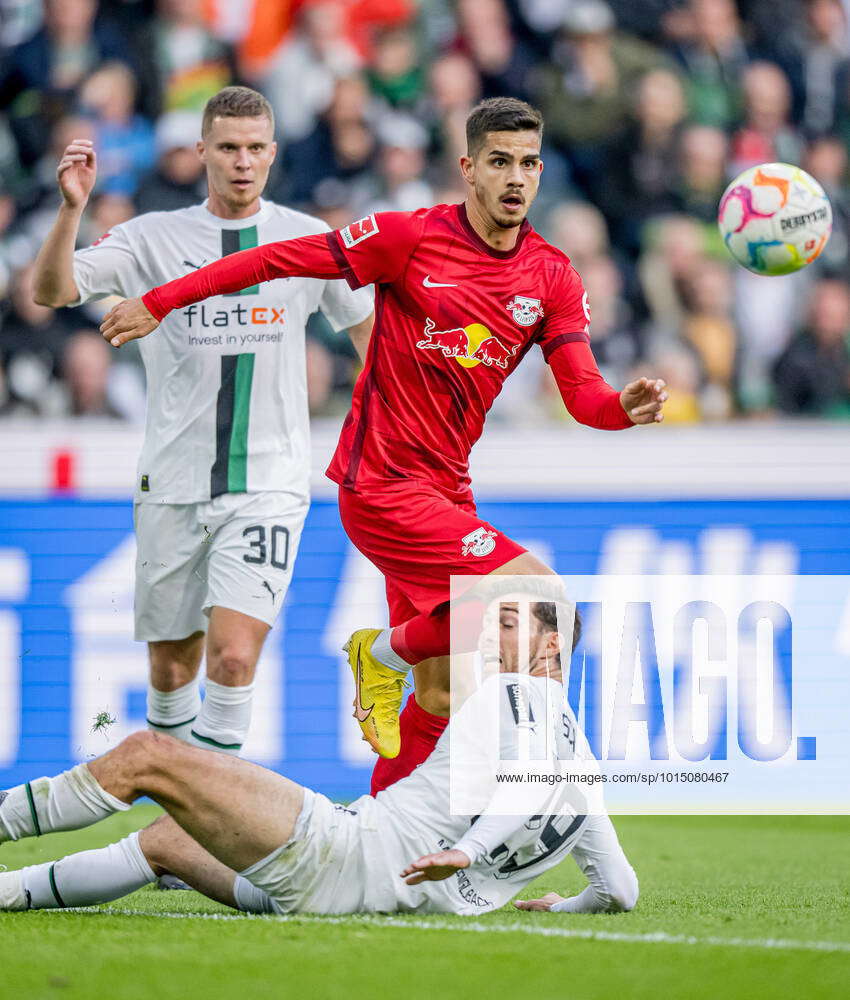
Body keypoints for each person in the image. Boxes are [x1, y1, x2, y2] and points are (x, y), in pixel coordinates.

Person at [98, 96, 666, 785]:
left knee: (442, 694)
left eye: (528, 163)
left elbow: (583, 394)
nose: (515, 178)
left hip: (447, 492)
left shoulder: (551, 277)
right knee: (539, 603)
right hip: (379, 483)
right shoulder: (408, 238)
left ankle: (386, 840)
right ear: (468, 169)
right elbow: (274, 261)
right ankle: (380, 656)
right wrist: (161, 301)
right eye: (498, 162)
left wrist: (621, 408)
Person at [31, 86, 374, 763]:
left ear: (273, 154)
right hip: (174, 484)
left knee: (236, 657)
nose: (242, 162)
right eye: (227, 148)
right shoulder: (152, 238)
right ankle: (176, 805)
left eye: (254, 149)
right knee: (171, 672)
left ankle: (203, 834)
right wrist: (72, 210)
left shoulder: (311, 240)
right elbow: (50, 291)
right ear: (201, 153)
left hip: (270, 482)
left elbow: (374, 343)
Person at [0, 600, 638, 918]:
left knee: (148, 756)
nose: (485, 636)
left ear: (552, 643)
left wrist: (467, 852)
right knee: (169, 838)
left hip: (345, 851)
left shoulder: (509, 690)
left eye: (506, 623)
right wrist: (563, 907)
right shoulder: (584, 765)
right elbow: (621, 891)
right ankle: (12, 891)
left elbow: (523, 790)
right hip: (360, 895)